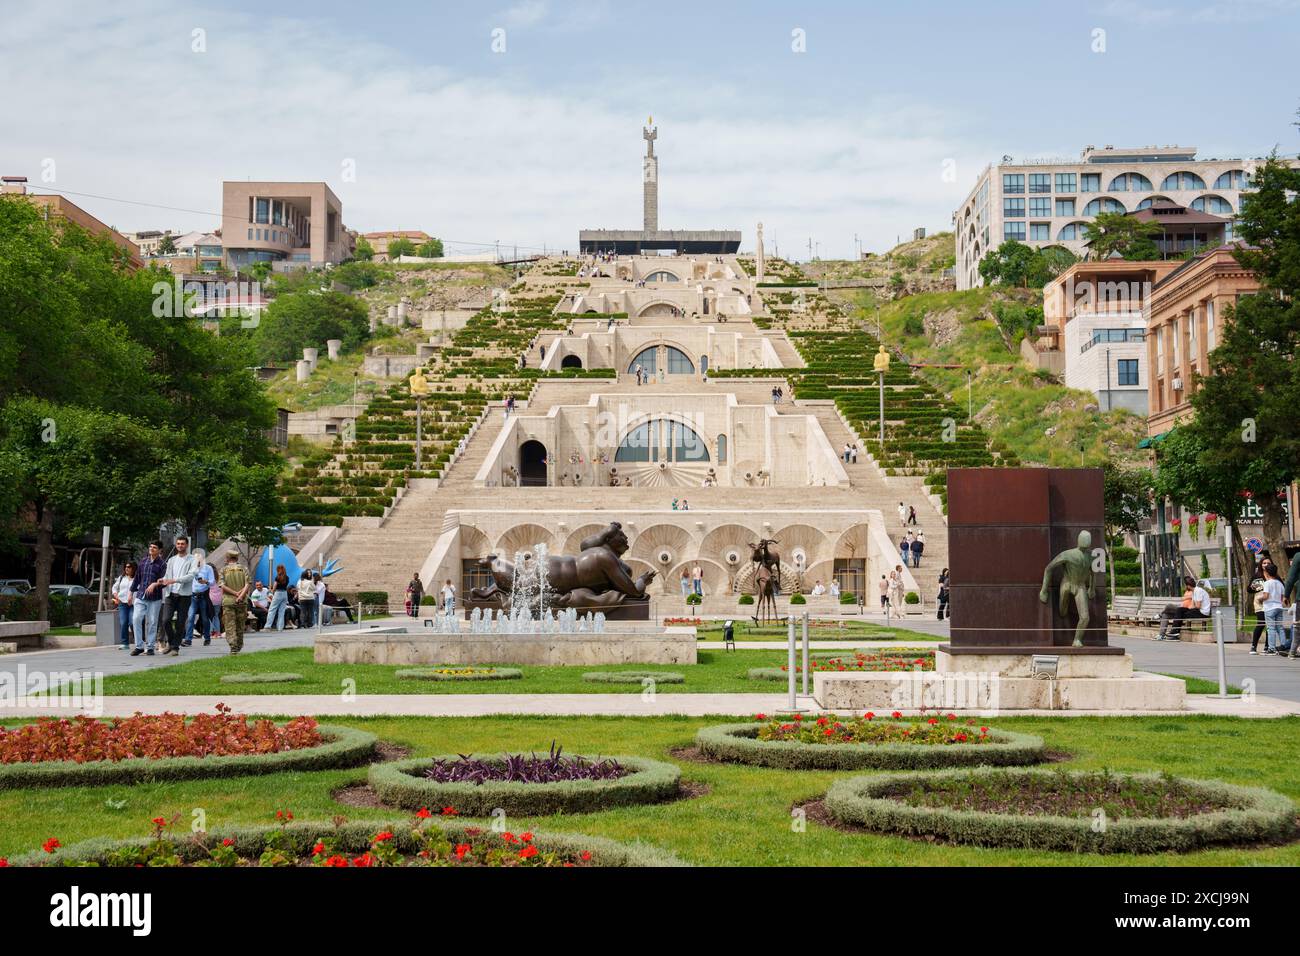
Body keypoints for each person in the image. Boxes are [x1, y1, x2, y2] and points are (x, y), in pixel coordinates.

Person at [158, 535, 196, 656]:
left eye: (182, 544)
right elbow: (167, 575)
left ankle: (175, 647)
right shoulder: (172, 560)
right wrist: (162, 580)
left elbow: (191, 576)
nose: (180, 545)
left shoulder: (192, 559)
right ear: (176, 545)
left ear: (187, 545)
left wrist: (175, 580)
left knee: (180, 622)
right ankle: (172, 642)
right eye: (178, 543)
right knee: (165, 620)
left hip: (184, 595)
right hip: (170, 593)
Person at [129, 541, 167, 656]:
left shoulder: (162, 564)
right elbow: (136, 578)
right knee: (136, 619)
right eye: (150, 547)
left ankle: (150, 647)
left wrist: (156, 583)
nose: (151, 549)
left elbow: (164, 582)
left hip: (155, 598)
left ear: (160, 550)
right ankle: (139, 646)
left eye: (154, 547)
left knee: (152, 622)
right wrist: (131, 592)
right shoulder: (143, 562)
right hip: (140, 596)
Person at [1157, 575, 1210, 641]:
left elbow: (1198, 606)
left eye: (1185, 585)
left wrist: (1189, 607)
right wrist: (1186, 609)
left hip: (1202, 613)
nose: (1185, 587)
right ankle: (1174, 633)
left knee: (1180, 613)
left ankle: (1174, 632)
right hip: (1197, 611)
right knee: (1180, 610)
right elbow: (1193, 606)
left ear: (1188, 585)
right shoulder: (1194, 591)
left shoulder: (1198, 591)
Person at [183, 548, 215, 647]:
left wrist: (205, 581)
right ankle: (188, 639)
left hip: (203, 595)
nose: (197, 561)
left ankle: (207, 638)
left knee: (205, 618)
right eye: (195, 559)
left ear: (203, 558)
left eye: (199, 559)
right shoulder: (191, 568)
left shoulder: (208, 568)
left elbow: (212, 582)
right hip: (192, 595)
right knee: (190, 617)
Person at [220, 552, 250, 655]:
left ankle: (233, 647)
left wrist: (234, 593)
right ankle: (239, 645)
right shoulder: (244, 568)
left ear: (227, 558)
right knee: (240, 625)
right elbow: (247, 584)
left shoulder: (223, 570)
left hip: (228, 601)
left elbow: (222, 585)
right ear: (237, 558)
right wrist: (241, 595)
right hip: (242, 601)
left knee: (230, 625)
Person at [1261, 562, 1289, 654]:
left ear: (1267, 573)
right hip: (1279, 607)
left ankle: (1271, 648)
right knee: (1280, 627)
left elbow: (1266, 596)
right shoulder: (1280, 583)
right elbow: (1282, 598)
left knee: (1270, 628)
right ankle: (1284, 645)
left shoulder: (1267, 583)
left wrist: (1260, 599)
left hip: (1269, 608)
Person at [110, 562, 136, 650]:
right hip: (122, 604)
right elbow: (114, 588)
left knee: (132, 622)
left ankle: (138, 640)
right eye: (125, 567)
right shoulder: (121, 578)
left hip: (133, 604)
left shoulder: (137, 578)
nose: (126, 568)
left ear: (133, 568)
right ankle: (125, 643)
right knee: (123, 622)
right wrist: (116, 596)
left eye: (129, 567)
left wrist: (132, 598)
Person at [268, 564, 290, 631]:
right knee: (282, 611)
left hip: (278, 593)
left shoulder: (277, 577)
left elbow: (274, 587)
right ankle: (280, 627)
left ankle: (268, 626)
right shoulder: (287, 577)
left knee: (272, 609)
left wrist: (271, 590)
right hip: (285, 594)